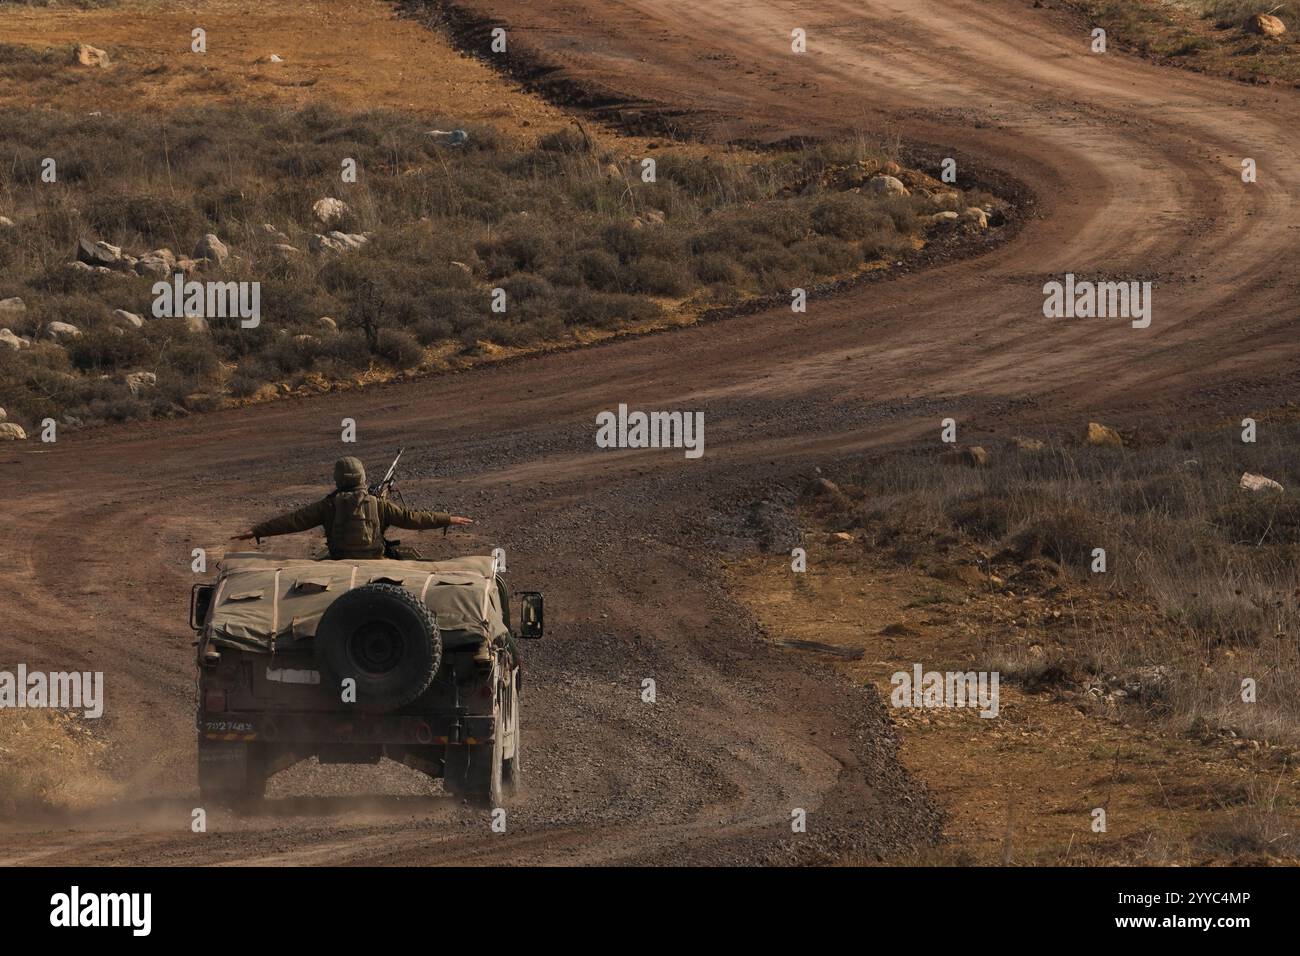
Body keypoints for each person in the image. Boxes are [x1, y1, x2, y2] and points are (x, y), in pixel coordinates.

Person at [230, 456, 472, 559]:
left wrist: (258, 530)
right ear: (362, 478)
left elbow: (294, 520)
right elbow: (412, 518)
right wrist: (447, 518)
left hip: (339, 560)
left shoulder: (328, 506)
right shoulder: (379, 504)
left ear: (338, 479)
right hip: (376, 559)